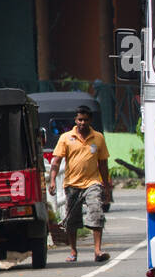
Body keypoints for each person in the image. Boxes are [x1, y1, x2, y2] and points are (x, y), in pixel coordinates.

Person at [48, 105, 112, 263]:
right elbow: (56, 161)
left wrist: (106, 186)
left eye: (85, 119)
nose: (82, 122)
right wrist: (52, 181)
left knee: (97, 212)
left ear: (90, 120)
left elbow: (103, 164)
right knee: (72, 220)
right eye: (80, 119)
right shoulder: (66, 138)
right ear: (75, 120)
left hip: (93, 183)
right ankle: (73, 251)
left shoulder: (98, 138)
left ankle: (97, 251)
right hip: (72, 184)